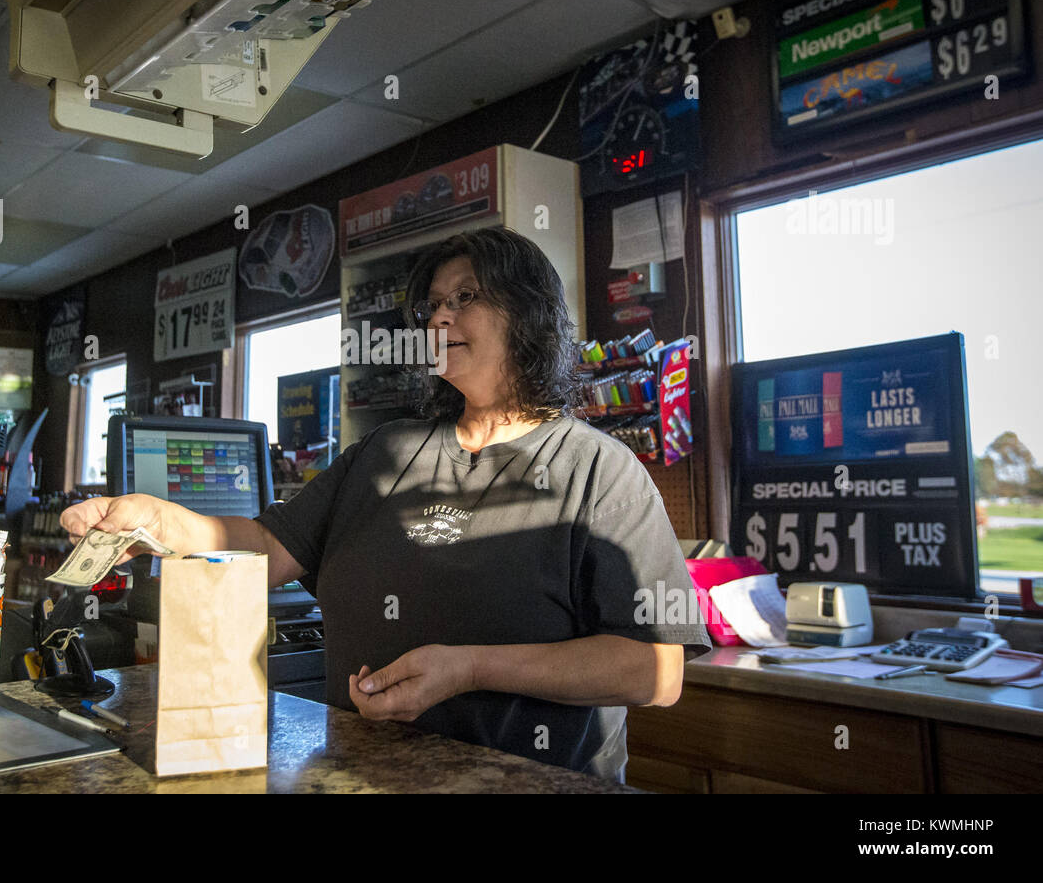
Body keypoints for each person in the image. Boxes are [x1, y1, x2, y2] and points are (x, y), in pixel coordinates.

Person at [61, 226, 711, 781]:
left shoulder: (599, 470)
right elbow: (261, 548)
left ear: (529, 313)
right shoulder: (383, 453)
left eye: (464, 299)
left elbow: (655, 669)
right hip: (365, 776)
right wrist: (155, 519)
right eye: (431, 306)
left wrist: (471, 668)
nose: (437, 319)